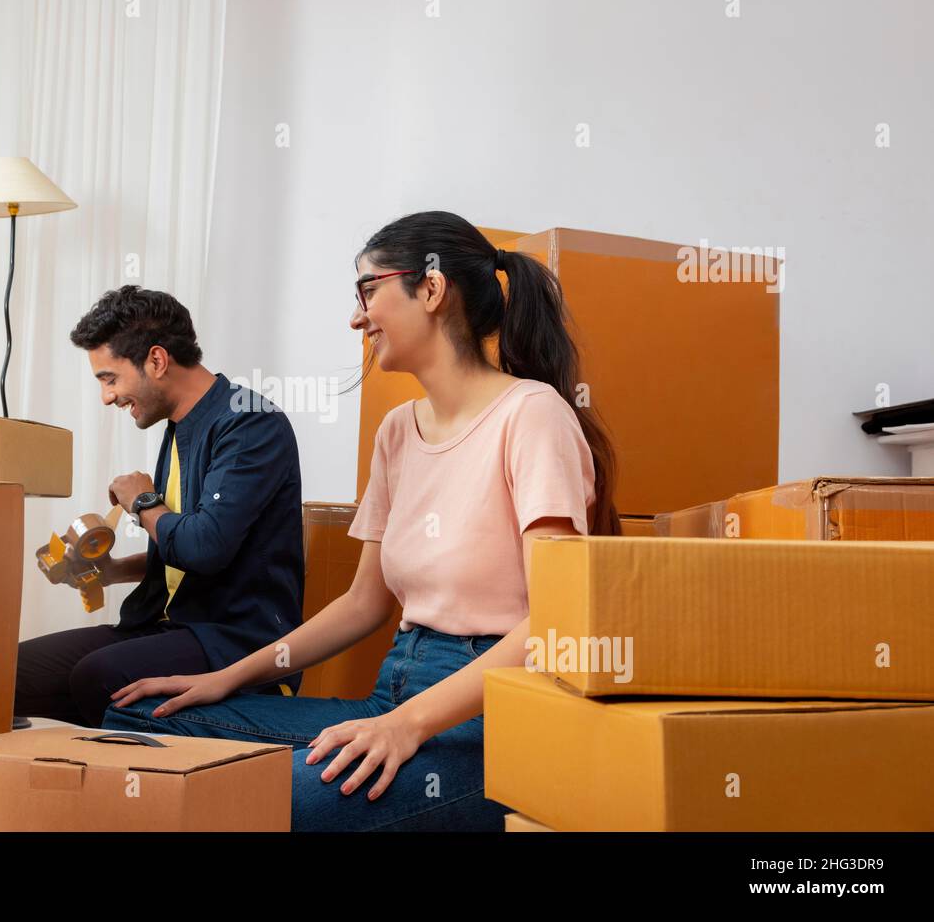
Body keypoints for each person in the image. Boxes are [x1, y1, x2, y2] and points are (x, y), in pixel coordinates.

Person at [103, 211, 620, 831]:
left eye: (368, 290)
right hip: (393, 692)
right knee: (136, 722)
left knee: (263, 800)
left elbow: (554, 621)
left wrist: (408, 725)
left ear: (430, 290)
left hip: (489, 717)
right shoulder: (399, 431)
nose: (357, 317)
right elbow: (362, 604)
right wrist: (226, 679)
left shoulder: (532, 416)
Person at [14, 285, 305, 728]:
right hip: (164, 625)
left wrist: (143, 500)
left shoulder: (248, 422)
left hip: (234, 640)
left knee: (99, 676)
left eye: (109, 378)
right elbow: (182, 552)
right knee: (7, 673)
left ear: (156, 360)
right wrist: (110, 571)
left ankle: (140, 782)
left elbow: (204, 548)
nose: (107, 397)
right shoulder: (180, 426)